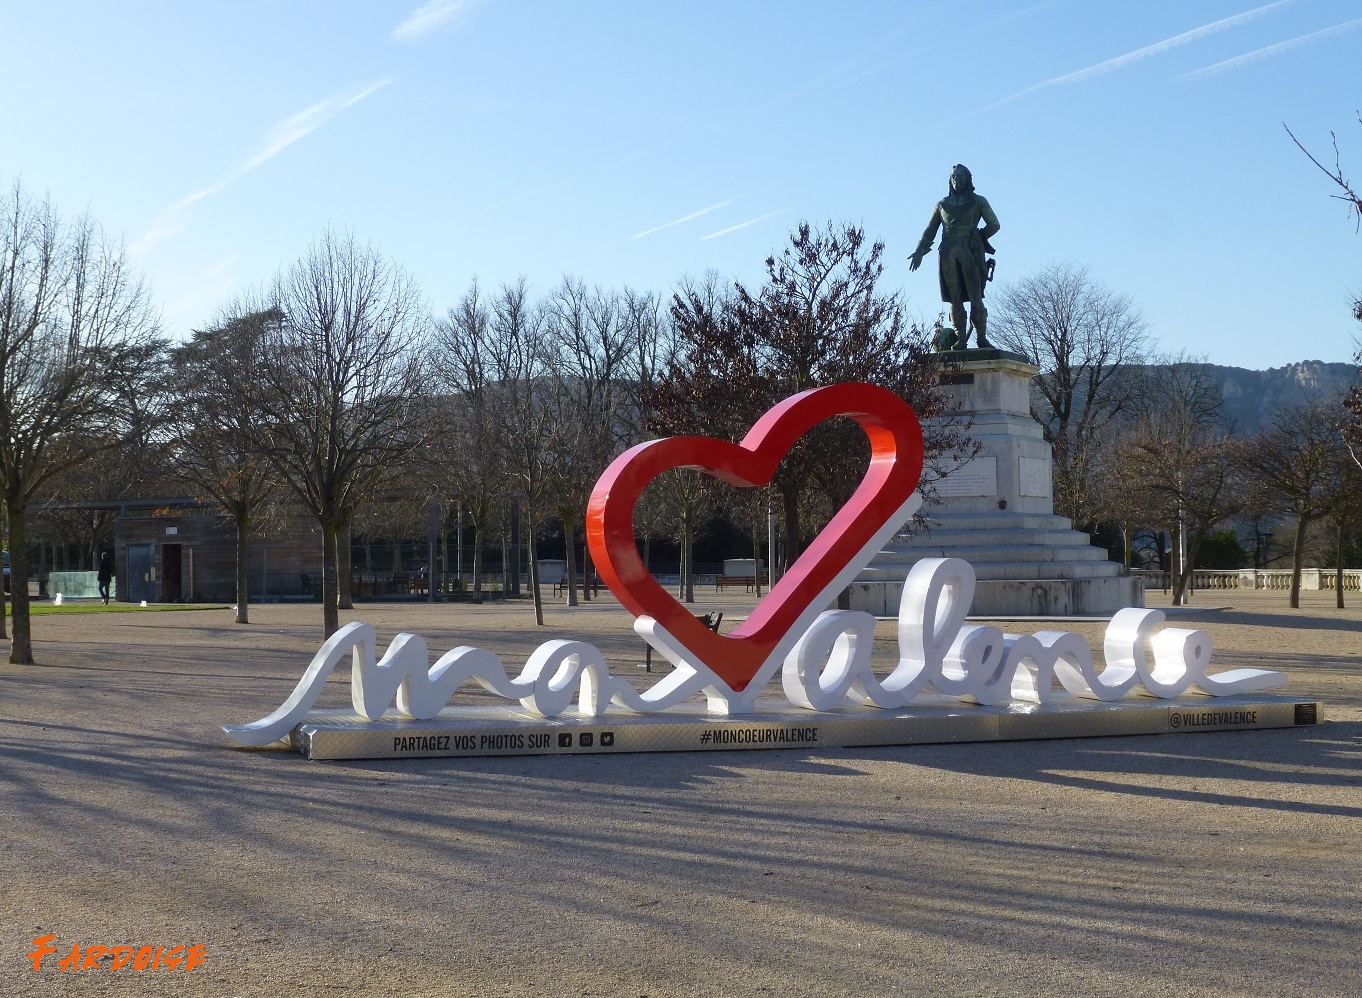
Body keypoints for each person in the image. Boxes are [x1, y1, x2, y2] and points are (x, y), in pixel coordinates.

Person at [909, 164, 1000, 350]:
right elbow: (930, 230)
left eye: (960, 176)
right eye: (953, 177)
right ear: (950, 181)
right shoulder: (942, 204)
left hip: (970, 250)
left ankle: (981, 338)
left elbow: (994, 224)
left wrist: (979, 237)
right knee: (954, 298)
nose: (956, 179)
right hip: (948, 251)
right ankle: (961, 339)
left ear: (968, 179)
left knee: (976, 296)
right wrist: (919, 250)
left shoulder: (978, 201)